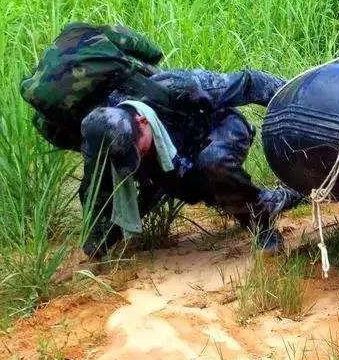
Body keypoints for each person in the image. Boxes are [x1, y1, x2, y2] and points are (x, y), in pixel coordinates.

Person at [80, 68, 302, 257]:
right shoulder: (105, 135)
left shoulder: (174, 89)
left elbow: (250, 83)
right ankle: (282, 197)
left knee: (214, 162)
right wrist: (103, 239)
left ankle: (263, 228)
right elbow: (119, 194)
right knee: (220, 194)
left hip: (220, 129)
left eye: (136, 151)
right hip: (182, 167)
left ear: (143, 120)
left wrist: (302, 101)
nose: (134, 160)